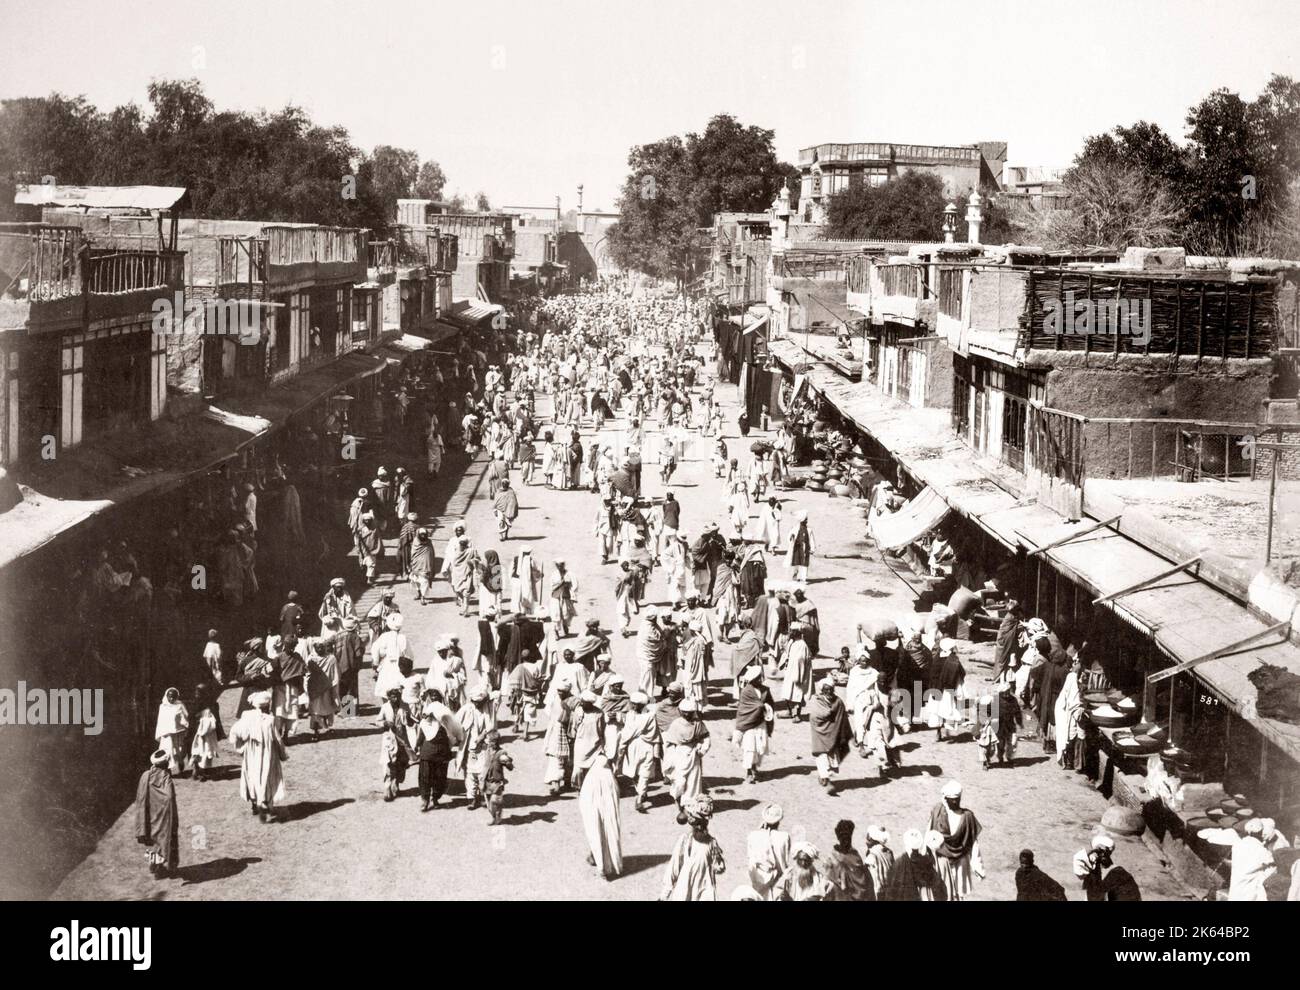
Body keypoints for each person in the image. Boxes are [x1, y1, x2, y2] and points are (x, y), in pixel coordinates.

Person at [231, 691, 288, 823]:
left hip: (251, 753)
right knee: (266, 777)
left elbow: (235, 732)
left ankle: (254, 803)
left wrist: (241, 747)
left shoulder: (246, 716)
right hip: (268, 753)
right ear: (267, 706)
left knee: (252, 776)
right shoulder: (270, 720)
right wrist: (282, 754)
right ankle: (264, 802)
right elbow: (277, 739)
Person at [660, 795, 727, 901]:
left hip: (701, 893)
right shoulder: (687, 841)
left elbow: (719, 867)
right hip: (689, 892)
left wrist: (664, 895)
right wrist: (664, 894)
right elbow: (674, 867)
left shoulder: (710, 843)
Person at [928, 780, 985, 901]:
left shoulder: (968, 817)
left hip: (961, 862)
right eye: (952, 799)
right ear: (945, 798)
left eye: (957, 799)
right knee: (943, 891)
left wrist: (977, 866)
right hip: (942, 860)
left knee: (958, 892)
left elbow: (973, 843)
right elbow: (929, 834)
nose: (955, 802)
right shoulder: (938, 812)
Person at [663, 697, 711, 821]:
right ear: (680, 711)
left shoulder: (698, 724)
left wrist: (702, 750)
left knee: (693, 784)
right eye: (684, 712)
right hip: (679, 755)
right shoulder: (676, 724)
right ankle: (678, 803)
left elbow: (706, 737)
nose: (687, 715)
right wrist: (670, 759)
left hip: (694, 756)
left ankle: (688, 809)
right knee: (679, 782)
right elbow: (669, 743)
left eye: (689, 712)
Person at [414, 688, 462, 811]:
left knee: (440, 776)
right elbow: (422, 730)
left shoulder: (445, 712)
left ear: (441, 698)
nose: (434, 698)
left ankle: (435, 798)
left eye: (436, 695)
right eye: (432, 696)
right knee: (425, 776)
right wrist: (417, 744)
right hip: (428, 749)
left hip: (442, 749)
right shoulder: (426, 713)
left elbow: (454, 728)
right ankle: (425, 800)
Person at [134, 749, 179, 878]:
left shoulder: (146, 775)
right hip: (163, 815)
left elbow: (140, 796)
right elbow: (169, 797)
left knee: (153, 840)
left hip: (149, 814)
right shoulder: (165, 777)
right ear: (165, 763)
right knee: (163, 840)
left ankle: (153, 864)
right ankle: (159, 869)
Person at [579, 752, 623, 879]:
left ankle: (600, 861)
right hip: (608, 778)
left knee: (593, 822)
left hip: (593, 778)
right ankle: (607, 861)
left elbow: (582, 758)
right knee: (610, 822)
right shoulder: (613, 744)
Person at [615, 691, 660, 813]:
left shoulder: (649, 716)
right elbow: (626, 730)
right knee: (634, 773)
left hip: (645, 746)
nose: (633, 706)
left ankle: (639, 798)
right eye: (632, 703)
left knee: (644, 773)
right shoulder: (630, 715)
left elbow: (653, 733)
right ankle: (641, 791)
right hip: (632, 747)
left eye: (635, 704)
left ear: (641, 705)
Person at [456, 684, 496, 811]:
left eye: (480, 702)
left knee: (484, 772)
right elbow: (455, 723)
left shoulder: (489, 709)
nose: (477, 704)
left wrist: (483, 735)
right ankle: (471, 798)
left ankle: (483, 795)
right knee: (470, 773)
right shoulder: (466, 709)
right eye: (475, 701)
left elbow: (492, 727)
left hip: (484, 747)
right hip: (470, 747)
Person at [809, 677, 851, 794]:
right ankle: (827, 781)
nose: (829, 692)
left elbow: (843, 718)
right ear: (822, 690)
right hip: (819, 733)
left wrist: (844, 734)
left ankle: (823, 776)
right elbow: (814, 717)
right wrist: (826, 714)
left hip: (833, 734)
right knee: (821, 756)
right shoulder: (817, 701)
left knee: (832, 758)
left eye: (831, 689)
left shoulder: (838, 702)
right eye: (826, 689)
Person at [733, 666, 775, 784]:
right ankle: (748, 771)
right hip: (749, 724)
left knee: (760, 746)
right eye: (757, 678)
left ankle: (754, 767)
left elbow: (771, 703)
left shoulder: (765, 690)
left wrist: (767, 708)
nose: (759, 680)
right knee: (750, 748)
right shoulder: (746, 691)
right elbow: (744, 708)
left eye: (760, 677)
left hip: (761, 722)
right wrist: (760, 706)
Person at [746, 803, 792, 901]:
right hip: (775, 879)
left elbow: (751, 858)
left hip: (757, 877)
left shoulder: (753, 835)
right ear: (779, 821)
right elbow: (783, 861)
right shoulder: (784, 837)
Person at [379, 687, 416, 801]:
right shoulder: (385, 707)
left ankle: (396, 785)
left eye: (397, 696)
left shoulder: (405, 706)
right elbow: (378, 721)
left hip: (402, 740)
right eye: (393, 697)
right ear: (389, 698)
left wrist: (409, 718)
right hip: (389, 739)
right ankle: (387, 789)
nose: (396, 699)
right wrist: (385, 723)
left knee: (401, 763)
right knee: (388, 763)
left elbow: (411, 723)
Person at [825, 820, 873, 901]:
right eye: (843, 838)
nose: (846, 841)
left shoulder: (855, 856)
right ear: (838, 838)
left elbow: (862, 884)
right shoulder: (833, 856)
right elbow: (828, 880)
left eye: (848, 838)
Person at [542, 683, 574, 795]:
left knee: (569, 759)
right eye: (558, 690)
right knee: (555, 758)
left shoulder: (572, 701)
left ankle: (567, 783)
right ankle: (556, 785)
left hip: (568, 732)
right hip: (555, 732)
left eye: (562, 691)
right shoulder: (555, 699)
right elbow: (551, 715)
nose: (560, 693)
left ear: (567, 692)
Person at [189, 682, 224, 782]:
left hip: (207, 732)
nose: (196, 694)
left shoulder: (211, 704)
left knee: (204, 750)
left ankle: (201, 771)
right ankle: (197, 769)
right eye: (196, 692)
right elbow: (191, 717)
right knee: (199, 750)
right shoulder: (199, 704)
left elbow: (216, 719)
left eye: (199, 692)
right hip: (199, 733)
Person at [780, 625, 814, 722]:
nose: (790, 633)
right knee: (787, 691)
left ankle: (797, 714)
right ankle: (789, 711)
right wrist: (783, 663)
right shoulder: (791, 642)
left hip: (799, 673)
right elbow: (786, 653)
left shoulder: (802, 645)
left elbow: (801, 661)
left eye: (792, 631)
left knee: (798, 693)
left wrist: (798, 675)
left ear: (797, 633)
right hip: (790, 671)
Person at [154, 687, 189, 776]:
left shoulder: (180, 705)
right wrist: (161, 732)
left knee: (178, 751)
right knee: (167, 751)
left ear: (177, 697)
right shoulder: (163, 706)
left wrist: (185, 726)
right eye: (170, 697)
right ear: (166, 696)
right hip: (166, 734)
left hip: (177, 733)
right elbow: (160, 721)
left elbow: (184, 717)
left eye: (174, 697)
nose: (171, 699)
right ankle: (168, 770)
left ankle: (180, 766)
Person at [484, 732, 514, 826]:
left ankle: (497, 817)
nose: (490, 743)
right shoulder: (487, 750)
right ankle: (494, 816)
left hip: (497, 781)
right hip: (487, 780)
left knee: (495, 801)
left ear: (497, 742)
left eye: (493, 741)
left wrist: (508, 763)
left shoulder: (502, 753)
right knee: (489, 804)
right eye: (489, 741)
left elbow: (510, 767)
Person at [863, 825, 895, 899]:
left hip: (879, 892)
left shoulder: (872, 853)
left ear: (872, 839)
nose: (866, 842)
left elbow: (865, 874)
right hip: (890, 890)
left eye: (868, 839)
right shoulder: (889, 852)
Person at [786, 509, 816, 582]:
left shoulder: (809, 529)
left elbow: (811, 539)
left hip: (805, 549)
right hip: (797, 549)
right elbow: (789, 537)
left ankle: (803, 578)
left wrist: (812, 548)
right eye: (805, 519)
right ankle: (795, 575)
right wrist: (791, 538)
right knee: (796, 562)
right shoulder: (795, 528)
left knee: (805, 563)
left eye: (806, 519)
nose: (806, 521)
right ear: (801, 520)